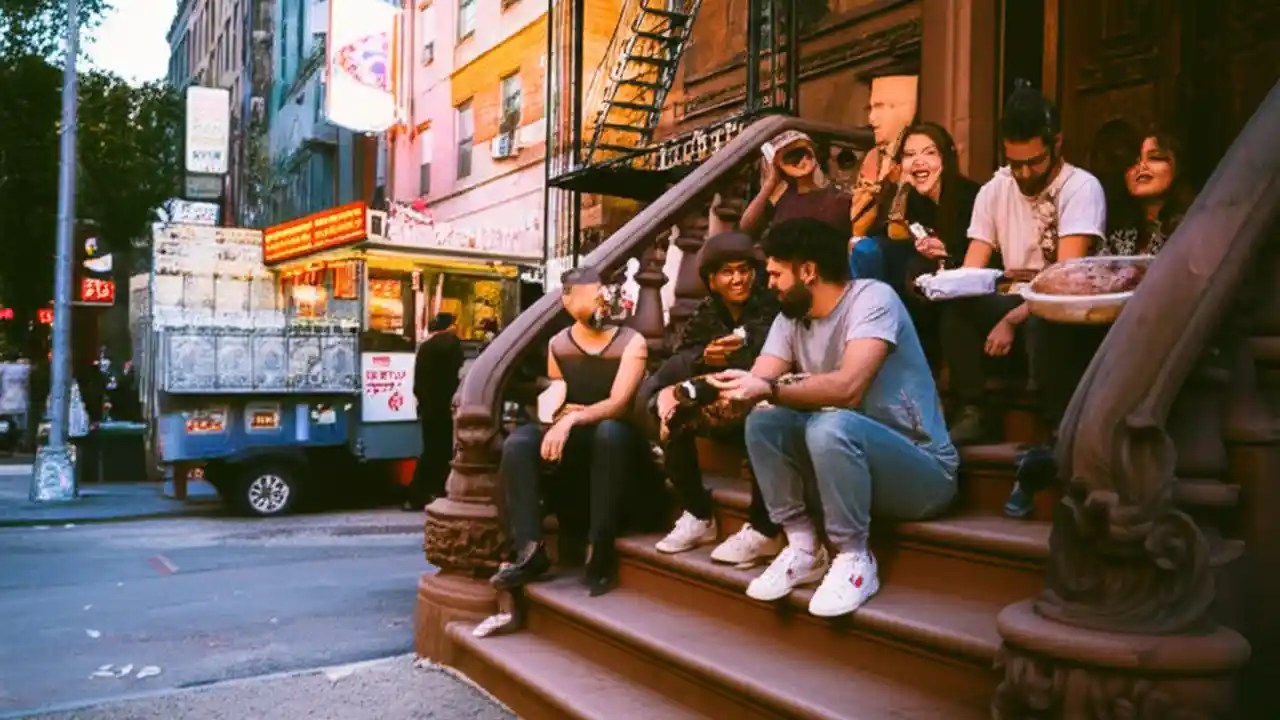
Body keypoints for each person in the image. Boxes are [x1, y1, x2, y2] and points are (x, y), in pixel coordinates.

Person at [709, 218, 958, 617]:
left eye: (775, 273)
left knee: (831, 421)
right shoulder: (789, 319)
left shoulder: (873, 299)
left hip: (924, 471)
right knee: (763, 420)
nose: (767, 283)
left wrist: (769, 389)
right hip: (847, 471)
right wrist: (723, 393)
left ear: (807, 271)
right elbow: (760, 379)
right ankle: (804, 546)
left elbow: (848, 389)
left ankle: (856, 557)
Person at [1005, 124, 1193, 517]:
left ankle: (1062, 453)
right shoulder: (1117, 226)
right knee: (1048, 325)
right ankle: (1061, 431)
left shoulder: (1193, 221)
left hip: (1164, 328)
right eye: (1132, 161)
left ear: (1178, 166)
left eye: (1155, 157)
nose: (1141, 166)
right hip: (1107, 324)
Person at [940, 82, 1107, 444]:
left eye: (1034, 162)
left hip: (1063, 306)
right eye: (1015, 164)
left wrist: (1010, 320)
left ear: (1056, 145)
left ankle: (1057, 425)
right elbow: (974, 272)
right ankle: (974, 409)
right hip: (1015, 294)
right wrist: (945, 285)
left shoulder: (1081, 188)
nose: (1025, 174)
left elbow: (1064, 280)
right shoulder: (994, 189)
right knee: (956, 310)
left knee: (1045, 322)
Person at [491, 266, 650, 596]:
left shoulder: (632, 342)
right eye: (594, 297)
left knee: (609, 431)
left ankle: (600, 548)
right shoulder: (558, 344)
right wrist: (556, 418)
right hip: (578, 434)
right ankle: (529, 548)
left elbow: (619, 404)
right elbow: (556, 398)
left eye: (604, 294)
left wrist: (573, 419)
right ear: (568, 303)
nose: (603, 303)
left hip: (619, 441)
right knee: (519, 442)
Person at [637, 231, 785, 564]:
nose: (738, 279)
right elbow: (680, 359)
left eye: (744, 270)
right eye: (728, 272)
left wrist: (720, 365)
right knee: (672, 414)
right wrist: (705, 360)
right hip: (721, 404)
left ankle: (765, 528)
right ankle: (698, 513)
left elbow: (768, 355)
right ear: (712, 280)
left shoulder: (771, 304)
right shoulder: (705, 313)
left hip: (763, 402)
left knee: (762, 415)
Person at [894, 122, 983, 367]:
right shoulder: (914, 198)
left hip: (973, 277)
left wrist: (947, 252)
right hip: (935, 277)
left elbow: (990, 253)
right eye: (910, 155)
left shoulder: (971, 196)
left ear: (946, 157)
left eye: (929, 152)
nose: (918, 162)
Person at [739, 130, 852, 239]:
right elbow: (746, 228)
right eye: (792, 157)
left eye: (805, 152)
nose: (803, 160)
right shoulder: (783, 201)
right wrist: (769, 184)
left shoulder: (839, 200)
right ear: (777, 167)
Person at [406, 312, 465, 511]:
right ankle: (429, 492)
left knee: (431, 451)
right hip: (443, 407)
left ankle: (420, 494)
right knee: (442, 451)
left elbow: (419, 385)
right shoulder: (451, 345)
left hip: (428, 408)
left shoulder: (426, 347)